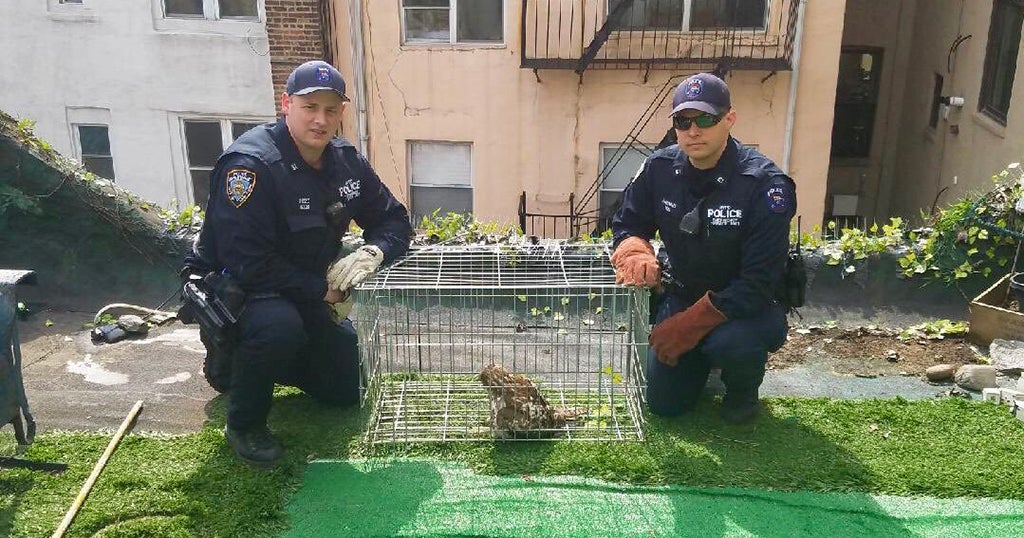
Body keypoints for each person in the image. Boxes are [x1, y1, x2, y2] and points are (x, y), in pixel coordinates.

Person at [187, 60, 412, 466]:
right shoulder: (250, 167)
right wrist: (324, 291)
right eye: (310, 108)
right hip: (243, 289)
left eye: (330, 109)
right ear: (286, 103)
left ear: (341, 113)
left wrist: (372, 252)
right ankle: (245, 422)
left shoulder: (346, 162)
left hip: (304, 286)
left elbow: (394, 219)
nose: (320, 120)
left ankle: (259, 363)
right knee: (278, 328)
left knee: (348, 388)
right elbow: (247, 262)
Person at [610, 72, 796, 424]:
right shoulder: (659, 168)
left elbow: (757, 283)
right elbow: (627, 223)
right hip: (682, 295)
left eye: (706, 119)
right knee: (665, 405)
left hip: (747, 308)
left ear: (730, 119)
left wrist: (687, 326)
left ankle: (742, 390)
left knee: (731, 344)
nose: (693, 131)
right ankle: (700, 361)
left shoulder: (765, 185)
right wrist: (635, 251)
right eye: (683, 121)